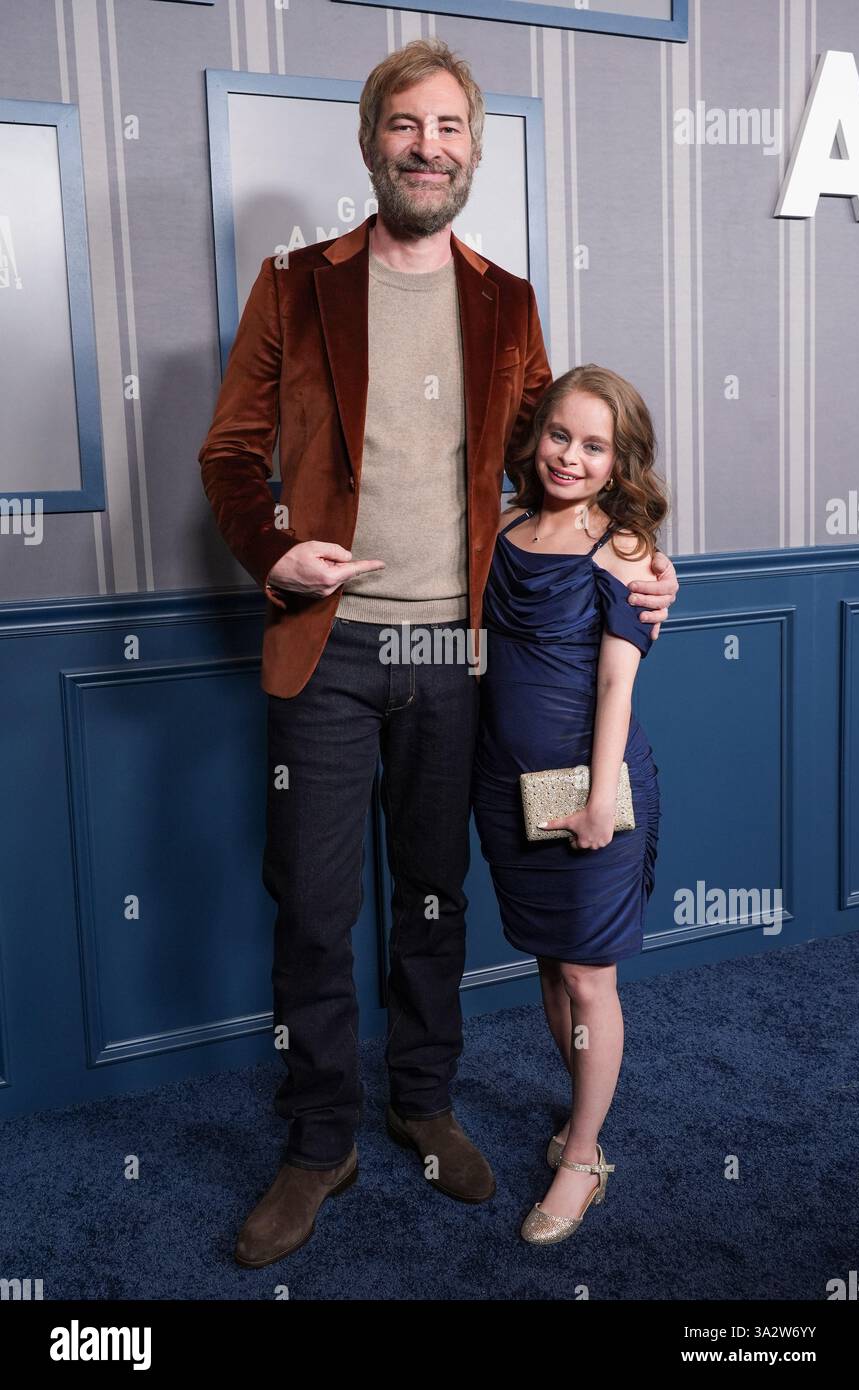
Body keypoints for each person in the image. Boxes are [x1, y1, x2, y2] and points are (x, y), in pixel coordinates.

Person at [197, 37, 680, 1268]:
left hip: (463, 654)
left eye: (450, 127)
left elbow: (554, 468)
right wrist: (272, 552)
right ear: (372, 142)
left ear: (472, 148)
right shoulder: (292, 284)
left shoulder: (503, 300)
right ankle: (320, 1140)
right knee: (309, 905)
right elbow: (227, 453)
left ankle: (420, 1102)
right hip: (329, 648)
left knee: (432, 899)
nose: (428, 146)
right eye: (406, 125)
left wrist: (635, 551)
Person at [472, 365, 669, 1245]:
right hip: (508, 788)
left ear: (619, 460)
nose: (571, 456)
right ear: (537, 435)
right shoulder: (506, 526)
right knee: (551, 967)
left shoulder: (621, 549)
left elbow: (615, 686)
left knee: (590, 976)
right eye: (560, 435)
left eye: (595, 446)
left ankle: (583, 1156)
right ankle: (581, 1123)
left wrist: (596, 803)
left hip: (595, 791)